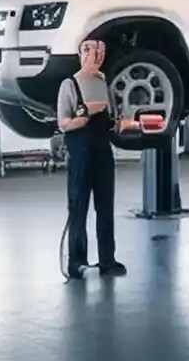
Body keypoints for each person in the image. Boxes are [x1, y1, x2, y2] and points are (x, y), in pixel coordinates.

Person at [57, 38, 138, 280]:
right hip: (80, 155)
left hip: (103, 152)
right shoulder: (70, 85)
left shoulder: (104, 84)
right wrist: (84, 115)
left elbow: (110, 121)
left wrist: (124, 125)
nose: (95, 55)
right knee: (78, 208)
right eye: (89, 50)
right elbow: (63, 123)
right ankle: (76, 263)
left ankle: (107, 261)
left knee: (105, 207)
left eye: (100, 51)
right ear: (81, 54)